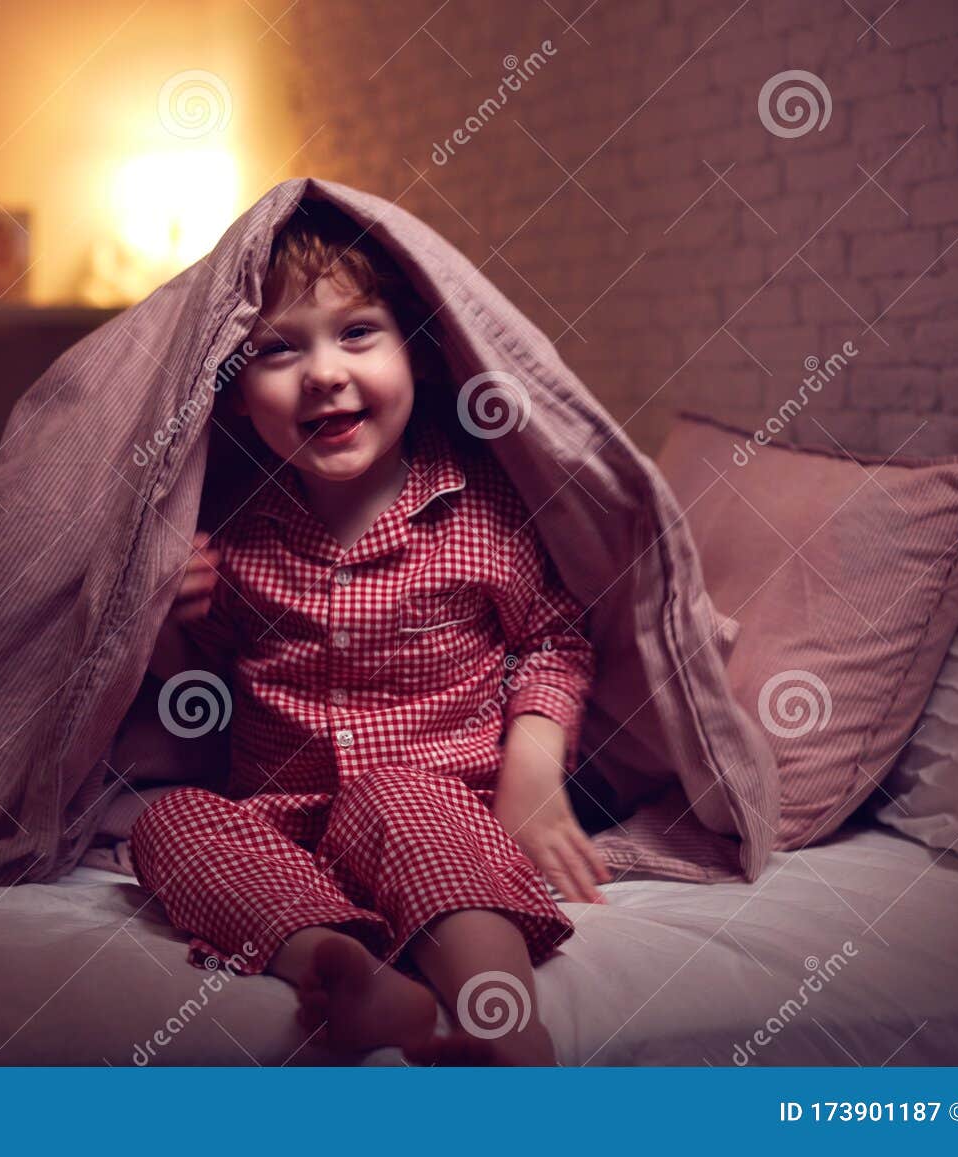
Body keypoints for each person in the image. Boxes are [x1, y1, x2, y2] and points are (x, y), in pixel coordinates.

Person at [134, 200, 605, 1065]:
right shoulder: (237, 536)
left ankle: (507, 1029)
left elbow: (553, 639)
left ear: (418, 356)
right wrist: (168, 621)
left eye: (358, 334)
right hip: (286, 829)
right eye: (278, 348)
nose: (322, 374)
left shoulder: (480, 511)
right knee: (167, 822)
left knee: (399, 796)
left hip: (437, 811)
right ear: (237, 396)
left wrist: (533, 766)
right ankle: (353, 976)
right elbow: (197, 690)